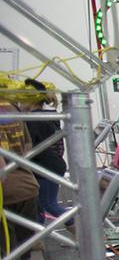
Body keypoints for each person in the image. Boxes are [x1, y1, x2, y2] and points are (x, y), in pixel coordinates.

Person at [0, 80, 50, 260]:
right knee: (19, 258)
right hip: (25, 184)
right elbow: (27, 150)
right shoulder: (13, 111)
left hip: (7, 192)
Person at [21, 80, 70, 225]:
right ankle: (37, 239)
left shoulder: (33, 119)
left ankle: (86, 232)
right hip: (51, 165)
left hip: (46, 167)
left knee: (49, 204)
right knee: (39, 206)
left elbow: (30, 147)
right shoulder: (49, 116)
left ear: (29, 101)